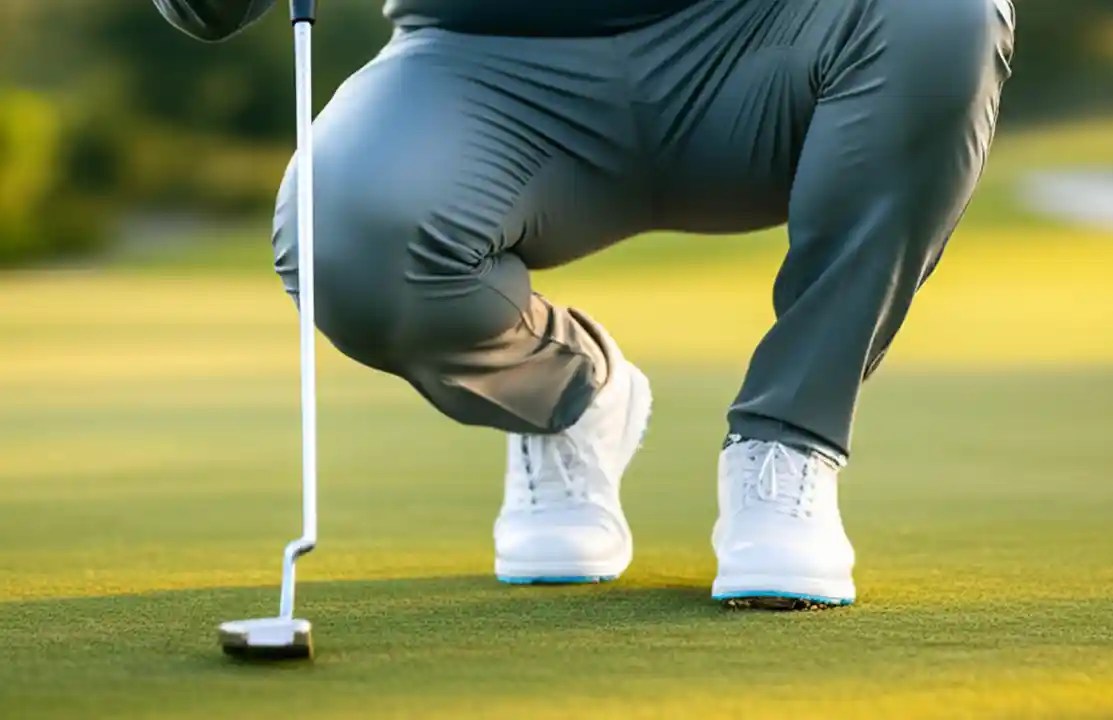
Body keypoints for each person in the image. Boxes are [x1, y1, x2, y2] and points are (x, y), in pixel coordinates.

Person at [155, 0, 1015, 609]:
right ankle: (571, 400)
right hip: (481, 61)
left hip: (764, 41)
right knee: (337, 228)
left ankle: (786, 447)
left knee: (944, 10)